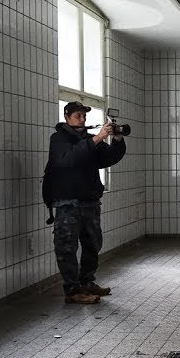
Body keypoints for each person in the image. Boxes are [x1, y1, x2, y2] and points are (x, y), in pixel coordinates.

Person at [45, 102, 126, 304]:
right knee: (67, 247)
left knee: (92, 244)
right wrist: (98, 138)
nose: (82, 119)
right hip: (68, 204)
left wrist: (117, 139)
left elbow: (109, 158)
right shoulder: (59, 139)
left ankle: (87, 282)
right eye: (78, 116)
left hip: (90, 202)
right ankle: (72, 290)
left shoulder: (88, 140)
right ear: (67, 117)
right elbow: (69, 159)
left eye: (84, 116)